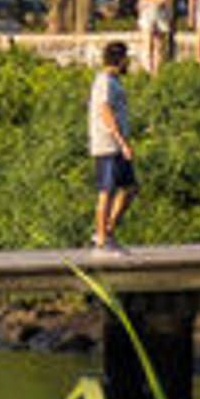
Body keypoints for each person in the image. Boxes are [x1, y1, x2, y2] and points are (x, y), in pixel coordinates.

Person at [89, 41, 138, 252]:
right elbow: (105, 111)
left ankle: (107, 230)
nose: (129, 62)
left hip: (117, 146)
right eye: (127, 58)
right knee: (106, 192)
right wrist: (121, 141)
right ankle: (101, 239)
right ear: (119, 59)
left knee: (130, 188)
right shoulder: (104, 81)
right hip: (107, 144)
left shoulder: (114, 81)